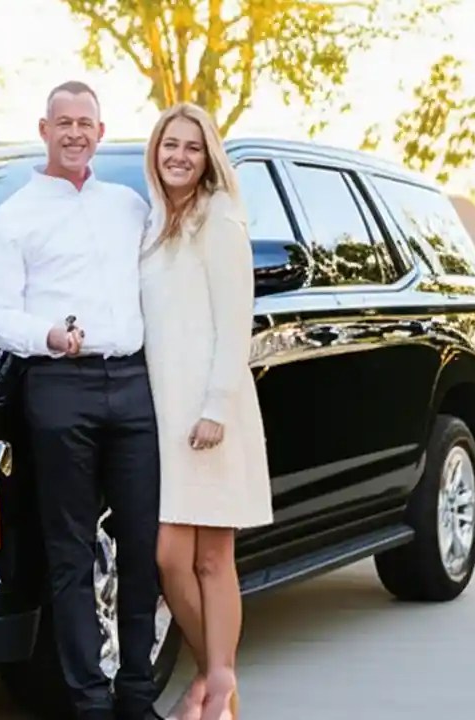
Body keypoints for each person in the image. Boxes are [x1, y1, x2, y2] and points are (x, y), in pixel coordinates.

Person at [0, 80, 162, 720]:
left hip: (136, 385)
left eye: (87, 122)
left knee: (144, 546)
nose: (76, 133)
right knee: (70, 552)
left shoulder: (130, 207)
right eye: (64, 123)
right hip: (60, 387)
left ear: (101, 132)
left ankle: (137, 695)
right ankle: (89, 702)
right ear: (44, 129)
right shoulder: (12, 218)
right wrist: (50, 337)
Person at [139, 103, 274, 720]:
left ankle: (215, 687)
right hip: (165, 416)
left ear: (209, 156)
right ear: (155, 150)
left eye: (193, 148)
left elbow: (235, 322)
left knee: (209, 557)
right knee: (171, 557)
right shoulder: (151, 223)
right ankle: (216, 681)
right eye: (171, 144)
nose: (180, 156)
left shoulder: (220, 219)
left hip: (210, 414)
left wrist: (217, 406)